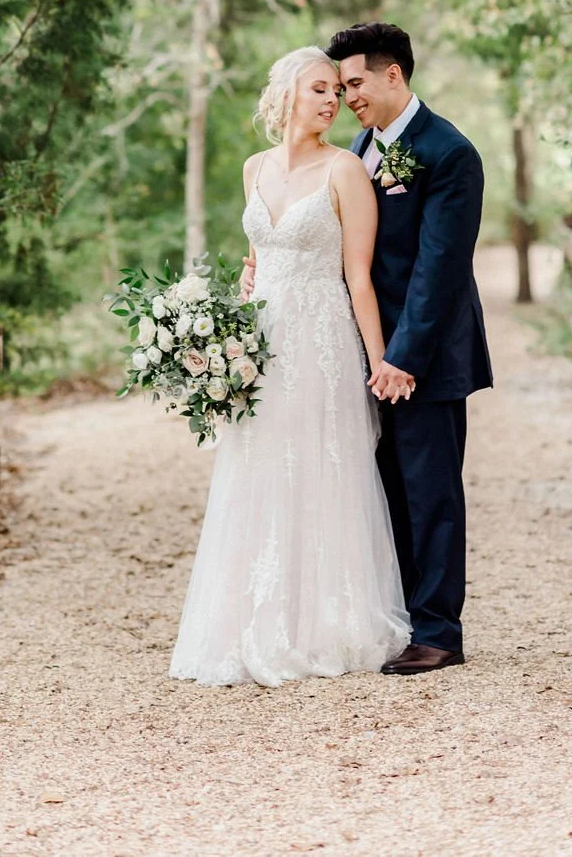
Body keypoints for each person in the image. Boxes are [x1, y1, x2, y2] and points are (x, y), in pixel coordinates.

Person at [170, 46, 409, 687]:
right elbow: (256, 262)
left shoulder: (347, 171)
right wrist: (225, 335)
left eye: (337, 91)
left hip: (322, 339)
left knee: (321, 465)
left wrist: (383, 361)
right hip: (263, 341)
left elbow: (359, 278)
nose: (333, 101)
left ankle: (327, 623)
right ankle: (252, 620)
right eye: (319, 90)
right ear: (286, 96)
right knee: (259, 466)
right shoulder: (253, 169)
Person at [325, 21, 492, 675]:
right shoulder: (362, 146)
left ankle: (439, 633)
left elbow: (439, 269)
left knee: (431, 495)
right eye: (341, 87)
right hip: (369, 356)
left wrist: (402, 358)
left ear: (394, 74)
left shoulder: (450, 153)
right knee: (388, 490)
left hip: (424, 361)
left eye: (356, 82)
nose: (349, 97)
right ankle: (401, 617)